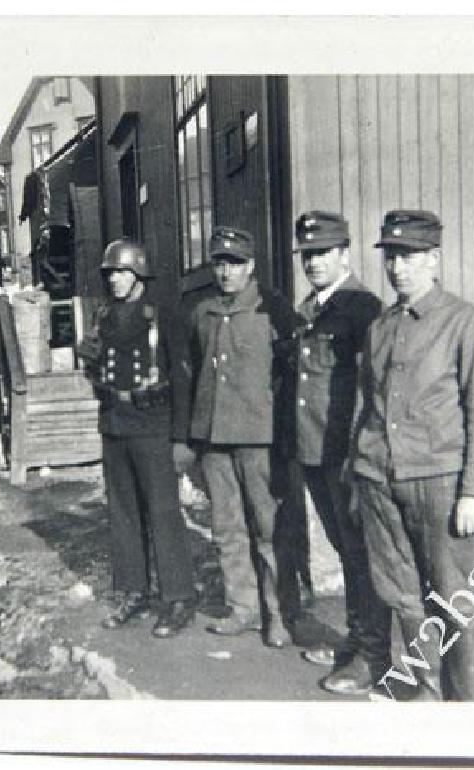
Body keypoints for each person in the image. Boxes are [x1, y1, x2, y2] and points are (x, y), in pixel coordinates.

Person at [352, 210, 474, 700]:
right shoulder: (381, 327)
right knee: (402, 594)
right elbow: (368, 405)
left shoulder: (465, 322)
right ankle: (425, 691)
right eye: (392, 256)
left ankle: (468, 711)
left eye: (410, 256)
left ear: (434, 260)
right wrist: (359, 470)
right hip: (381, 479)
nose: (398, 267)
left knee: (453, 598)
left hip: (440, 483)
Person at [281, 211, 389, 695]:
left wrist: (356, 453)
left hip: (345, 453)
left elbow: (371, 389)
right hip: (315, 449)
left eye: (323, 252)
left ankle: (372, 656)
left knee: (362, 553)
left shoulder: (362, 308)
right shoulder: (312, 307)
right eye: (307, 254)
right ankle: (354, 641)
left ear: (345, 254)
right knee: (347, 550)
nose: (314, 262)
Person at [181, 226, 296, 648]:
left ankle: (280, 611)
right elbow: (193, 368)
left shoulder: (273, 309)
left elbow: (289, 373)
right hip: (213, 437)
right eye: (220, 263)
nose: (226, 272)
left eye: (234, 263)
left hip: (257, 437)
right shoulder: (203, 311)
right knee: (227, 527)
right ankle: (242, 607)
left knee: (268, 527)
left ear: (250, 266)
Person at [78, 239, 197, 638]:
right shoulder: (103, 317)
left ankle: (178, 596)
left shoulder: (163, 315)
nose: (115, 280)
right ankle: (134, 590)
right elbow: (96, 374)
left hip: (153, 423)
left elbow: (181, 378)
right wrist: (89, 359)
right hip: (115, 423)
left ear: (140, 274)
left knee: (163, 511)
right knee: (123, 512)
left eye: (123, 272)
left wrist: (181, 439)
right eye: (110, 273)